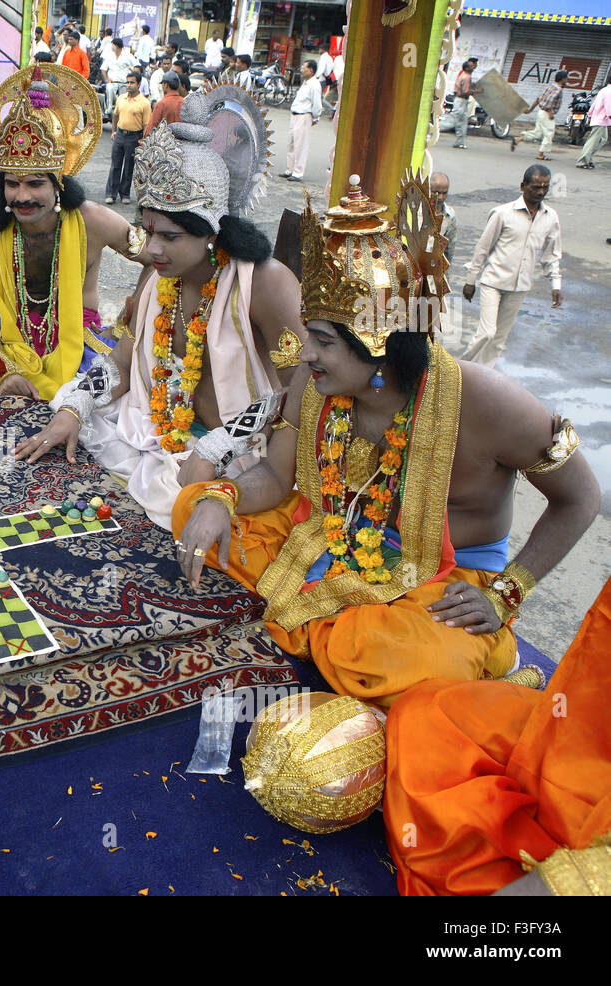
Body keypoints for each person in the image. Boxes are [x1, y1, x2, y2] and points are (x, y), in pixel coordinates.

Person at [172, 173, 600, 709]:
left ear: (379, 349)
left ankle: (491, 658)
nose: (304, 355)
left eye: (323, 342)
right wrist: (221, 497)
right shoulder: (317, 379)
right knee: (196, 509)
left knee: (376, 655)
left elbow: (581, 499)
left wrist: (506, 592)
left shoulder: (487, 402)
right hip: (330, 534)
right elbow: (278, 479)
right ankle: (349, 624)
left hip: (446, 571)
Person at [14, 86, 302, 530]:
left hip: (244, 447)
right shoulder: (157, 272)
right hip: (154, 424)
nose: (151, 249)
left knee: (189, 514)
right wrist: (76, 407)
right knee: (61, 433)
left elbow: (299, 389)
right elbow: (125, 361)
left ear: (211, 231)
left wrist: (217, 447)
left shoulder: (264, 282)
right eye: (148, 231)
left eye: (169, 236)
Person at [0, 64, 145, 400]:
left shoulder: (95, 221)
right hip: (10, 342)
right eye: (12, 184)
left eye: (35, 184)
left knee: (127, 375)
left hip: (79, 342)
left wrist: (137, 317)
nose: (22, 196)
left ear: (58, 183)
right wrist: (5, 374)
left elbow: (158, 257)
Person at [383, 575, 611, 896]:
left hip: (588, 843)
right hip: (559, 738)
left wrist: (572, 882)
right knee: (424, 710)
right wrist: (501, 595)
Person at [461, 165, 561, 369]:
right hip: (493, 282)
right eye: (535, 187)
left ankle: (483, 375)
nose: (541, 192)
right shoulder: (502, 213)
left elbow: (551, 255)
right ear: (523, 186)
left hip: (519, 286)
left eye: (545, 187)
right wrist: (470, 281)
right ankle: (459, 370)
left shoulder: (550, 218)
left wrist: (556, 284)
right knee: (487, 333)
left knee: (498, 340)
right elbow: (483, 248)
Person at [105, 71, 148, 205]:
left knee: (129, 167)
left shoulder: (144, 103)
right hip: (120, 135)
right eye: (127, 82)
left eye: (132, 82)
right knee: (115, 166)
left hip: (134, 137)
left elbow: (146, 124)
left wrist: (143, 140)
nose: (129, 85)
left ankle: (124, 193)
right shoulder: (121, 98)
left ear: (139, 84)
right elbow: (115, 115)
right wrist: (113, 131)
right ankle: (111, 194)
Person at [280, 59, 322, 182]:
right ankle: (290, 169)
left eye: (304, 67)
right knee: (291, 143)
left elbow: (317, 104)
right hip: (295, 115)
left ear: (311, 70)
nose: (302, 70)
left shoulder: (314, 85)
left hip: (304, 116)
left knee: (300, 145)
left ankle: (298, 172)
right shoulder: (305, 83)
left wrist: (315, 117)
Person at [513, 70, 567, 161]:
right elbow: (550, 101)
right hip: (546, 113)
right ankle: (540, 154)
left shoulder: (550, 86)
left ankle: (518, 139)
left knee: (538, 133)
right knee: (549, 133)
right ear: (563, 79)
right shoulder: (558, 89)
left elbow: (539, 99)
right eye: (566, 79)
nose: (567, 80)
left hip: (541, 112)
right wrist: (550, 113)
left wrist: (530, 109)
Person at [575, 72, 610, 169]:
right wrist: (610, 115)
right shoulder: (609, 91)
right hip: (601, 120)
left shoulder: (604, 90)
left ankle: (589, 158)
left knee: (603, 139)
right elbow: (608, 106)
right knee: (593, 140)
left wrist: (590, 114)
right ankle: (582, 161)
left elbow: (595, 103)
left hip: (601, 119)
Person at [449, 57, 480, 149]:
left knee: (462, 123)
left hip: (463, 100)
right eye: (472, 65)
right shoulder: (466, 76)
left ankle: (460, 143)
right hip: (461, 100)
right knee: (453, 121)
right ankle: (430, 131)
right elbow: (465, 91)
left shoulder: (466, 75)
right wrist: (477, 91)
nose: (474, 67)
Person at [102, 37, 138, 116]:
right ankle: (109, 108)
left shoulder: (127, 55)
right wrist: (106, 79)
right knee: (109, 88)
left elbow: (137, 66)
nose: (111, 47)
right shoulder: (109, 56)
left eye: (112, 45)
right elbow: (103, 69)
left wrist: (133, 79)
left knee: (123, 99)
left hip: (124, 83)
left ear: (117, 46)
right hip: (112, 82)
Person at [144, 70, 186, 136]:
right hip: (181, 143)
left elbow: (151, 127)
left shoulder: (161, 104)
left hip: (165, 143)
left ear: (165, 85)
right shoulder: (184, 102)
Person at [429, 171, 456, 266]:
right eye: (436, 192)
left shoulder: (449, 215)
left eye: (444, 193)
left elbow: (450, 246)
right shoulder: (416, 210)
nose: (440, 197)